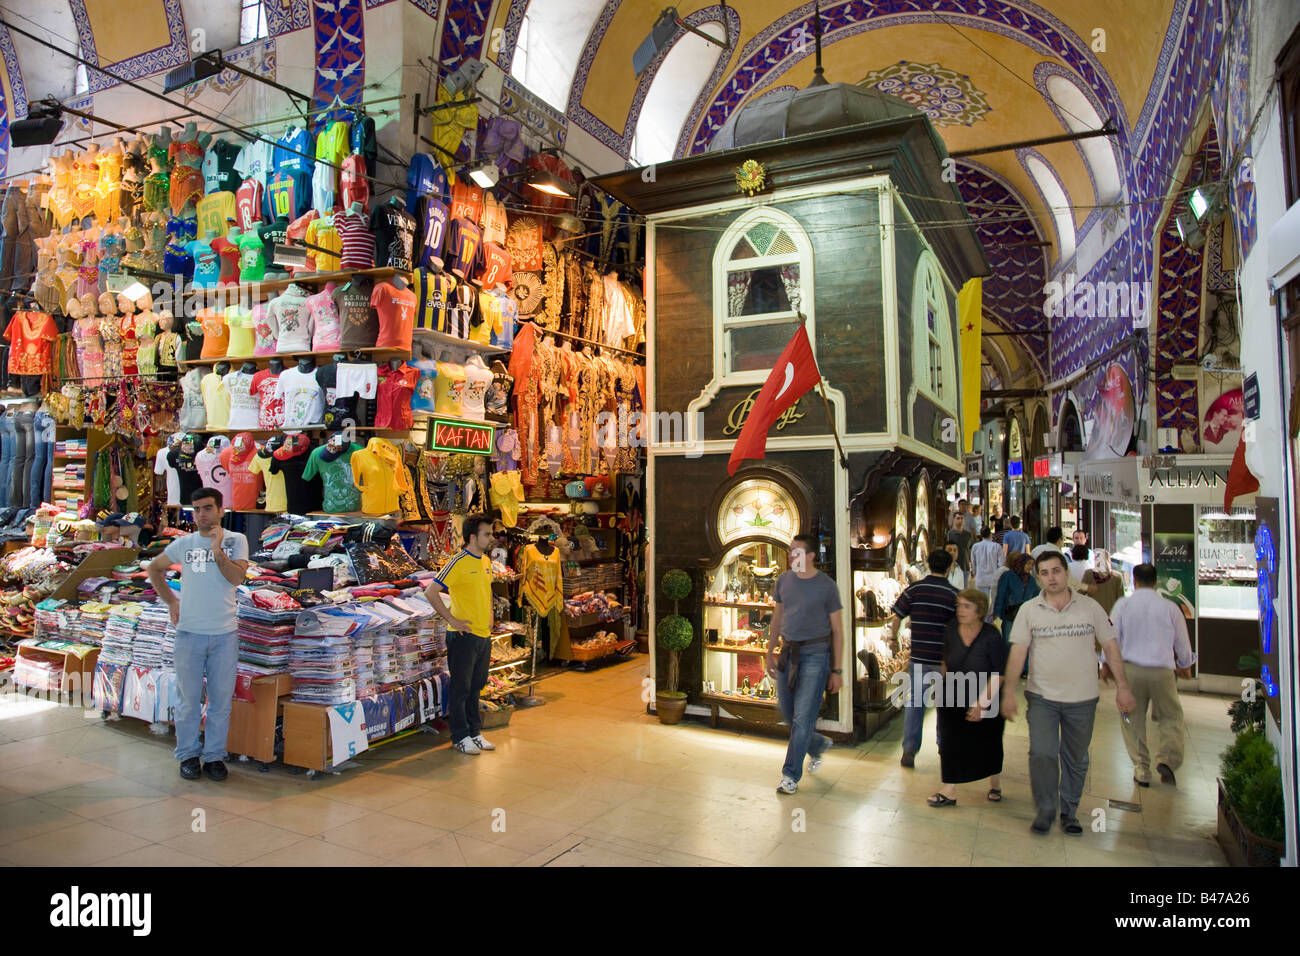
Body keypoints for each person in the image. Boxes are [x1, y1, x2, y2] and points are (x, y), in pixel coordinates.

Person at [1002, 550, 1136, 835]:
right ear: (1038, 578)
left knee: (1075, 758)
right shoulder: (1029, 611)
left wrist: (1123, 687)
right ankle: (1046, 808)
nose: (1051, 578)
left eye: (1056, 571)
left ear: (1067, 573)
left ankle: (1069, 810)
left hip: (1082, 699)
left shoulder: (1090, 608)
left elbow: (1111, 647)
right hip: (1042, 698)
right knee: (1042, 753)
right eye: (1045, 573)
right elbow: (1018, 652)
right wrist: (1009, 692)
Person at [147, 487, 250, 782]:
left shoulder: (236, 540)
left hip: (225, 634)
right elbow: (154, 569)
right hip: (189, 633)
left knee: (220, 701)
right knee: (188, 701)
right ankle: (188, 755)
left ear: (221, 510)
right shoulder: (184, 543)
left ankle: (215, 756)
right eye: (197, 509)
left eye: (207, 508)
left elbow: (236, 577)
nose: (201, 515)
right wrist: (171, 601)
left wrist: (217, 550)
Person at [766, 533, 844, 795]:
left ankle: (790, 775)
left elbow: (838, 630)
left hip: (815, 655)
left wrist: (837, 670)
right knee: (788, 713)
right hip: (788, 652)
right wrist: (769, 651)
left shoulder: (826, 586)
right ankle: (818, 744)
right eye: (790, 551)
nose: (791, 555)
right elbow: (777, 618)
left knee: (802, 717)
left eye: (797, 551)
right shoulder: (784, 581)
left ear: (811, 556)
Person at [1108, 563, 1195, 787]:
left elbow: (1111, 637)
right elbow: (1182, 643)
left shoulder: (1123, 605)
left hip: (1131, 671)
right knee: (1171, 716)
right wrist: (1185, 664)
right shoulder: (1170, 608)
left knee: (1130, 718)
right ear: (1156, 582)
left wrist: (1105, 664)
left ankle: (1141, 768)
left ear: (1134, 581)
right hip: (1163, 672)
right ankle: (1167, 758)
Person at [425, 516, 497, 755]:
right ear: (473, 537)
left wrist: (490, 617)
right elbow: (431, 591)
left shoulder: (486, 561)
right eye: (487, 534)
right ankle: (459, 735)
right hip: (462, 635)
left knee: (477, 686)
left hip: (482, 635)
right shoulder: (457, 562)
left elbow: (485, 592)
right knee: (461, 688)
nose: (491, 538)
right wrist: (452, 620)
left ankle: (474, 731)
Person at [927, 589, 1006, 808]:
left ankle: (994, 782)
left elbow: (999, 673)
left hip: (986, 693)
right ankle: (950, 789)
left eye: (966, 606)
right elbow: (945, 659)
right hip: (953, 693)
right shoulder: (952, 629)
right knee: (950, 740)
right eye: (959, 605)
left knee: (988, 741)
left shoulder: (991, 635)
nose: (960, 610)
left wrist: (982, 704)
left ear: (979, 610)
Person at [886, 549, 958, 768]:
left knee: (915, 703)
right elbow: (958, 629)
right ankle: (943, 746)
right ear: (949, 567)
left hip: (918, 656)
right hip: (944, 660)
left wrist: (893, 640)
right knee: (944, 705)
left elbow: (897, 616)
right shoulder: (954, 594)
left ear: (928, 564)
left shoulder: (914, 589)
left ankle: (909, 749)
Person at [993, 553, 1038, 650]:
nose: (1030, 567)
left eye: (1032, 564)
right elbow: (1001, 595)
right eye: (1028, 564)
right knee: (1008, 643)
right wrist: (997, 613)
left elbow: (1036, 598)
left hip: (1026, 617)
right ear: (1021, 563)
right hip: (1010, 615)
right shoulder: (1007, 576)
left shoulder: (1032, 581)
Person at [970, 526, 1003, 614]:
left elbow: (973, 562)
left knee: (983, 602)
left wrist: (974, 572)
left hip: (981, 577)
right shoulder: (997, 546)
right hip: (994, 577)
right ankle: (990, 618)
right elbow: (1001, 564)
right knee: (994, 602)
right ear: (990, 534)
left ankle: (983, 619)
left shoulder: (975, 546)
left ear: (981, 535)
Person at [1081, 549, 1125, 615]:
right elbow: (1121, 600)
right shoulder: (1117, 577)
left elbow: (1079, 594)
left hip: (1093, 615)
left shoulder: (1089, 574)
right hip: (1111, 617)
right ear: (1108, 560)